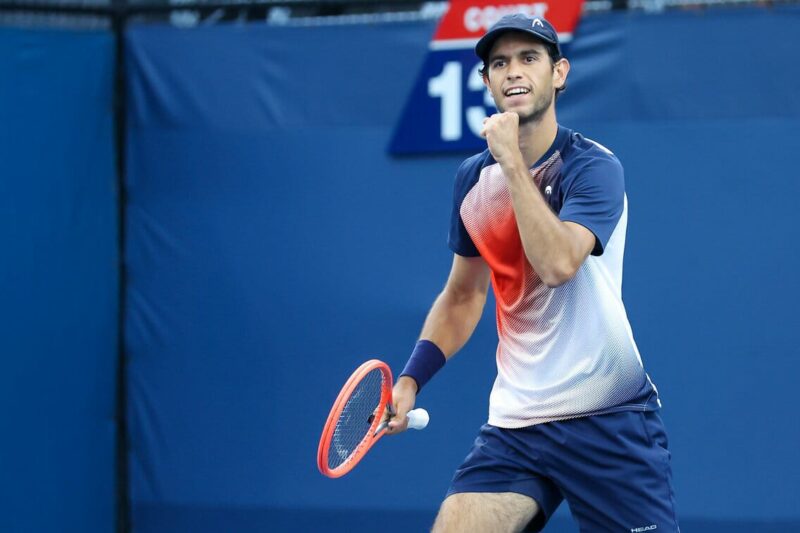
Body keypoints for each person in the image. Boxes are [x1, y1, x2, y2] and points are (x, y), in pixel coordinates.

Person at [385, 13, 680, 533]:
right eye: (499, 63)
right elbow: (461, 296)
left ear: (558, 73)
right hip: (517, 425)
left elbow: (559, 263)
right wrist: (411, 378)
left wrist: (513, 163)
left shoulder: (593, 167)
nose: (513, 71)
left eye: (529, 58)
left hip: (608, 416)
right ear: (487, 81)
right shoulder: (473, 180)